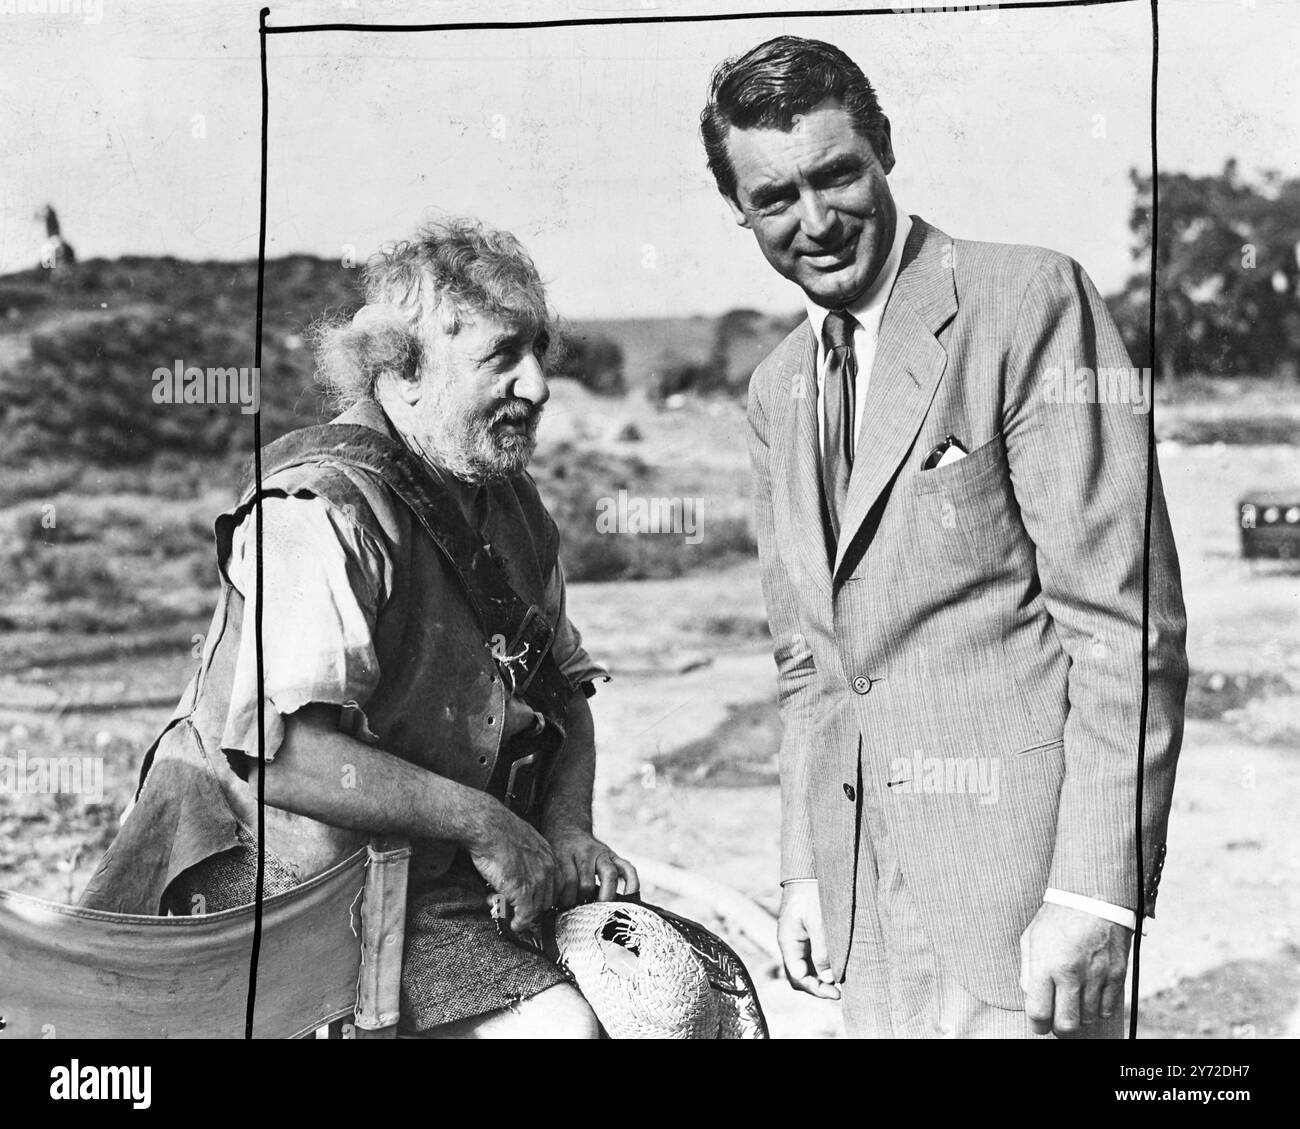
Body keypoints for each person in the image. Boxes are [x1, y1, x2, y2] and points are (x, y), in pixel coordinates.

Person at [700, 35, 1187, 1038]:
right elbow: (807, 660)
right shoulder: (775, 387)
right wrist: (803, 863)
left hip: (1017, 900)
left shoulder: (1028, 302)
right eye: (774, 199)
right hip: (861, 899)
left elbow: (1120, 627)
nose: (816, 220)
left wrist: (1093, 898)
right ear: (739, 210)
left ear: (884, 151)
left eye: (837, 174)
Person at [80, 217, 637, 1038]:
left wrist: (565, 826)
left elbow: (563, 694)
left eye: (538, 351)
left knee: (626, 1001)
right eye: (502, 357)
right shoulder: (322, 509)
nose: (540, 385)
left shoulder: (509, 506)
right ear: (400, 374)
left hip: (412, 881)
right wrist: (485, 821)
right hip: (262, 884)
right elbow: (287, 759)